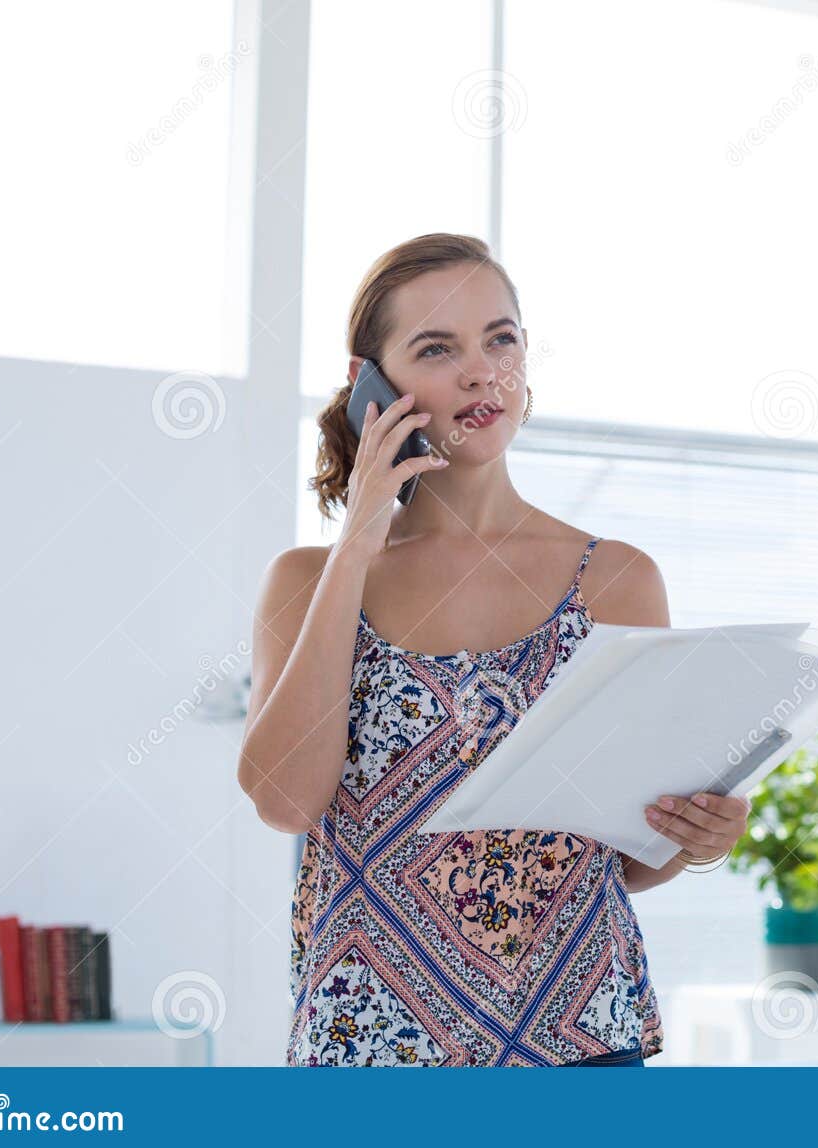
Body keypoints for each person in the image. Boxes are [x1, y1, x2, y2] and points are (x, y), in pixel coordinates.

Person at [237, 233, 750, 1067]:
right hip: (368, 1050)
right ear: (375, 385)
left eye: (500, 339)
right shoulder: (309, 580)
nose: (481, 372)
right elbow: (286, 801)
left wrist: (692, 838)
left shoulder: (616, 579)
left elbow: (622, 860)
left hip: (578, 1046)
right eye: (438, 348)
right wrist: (358, 544)